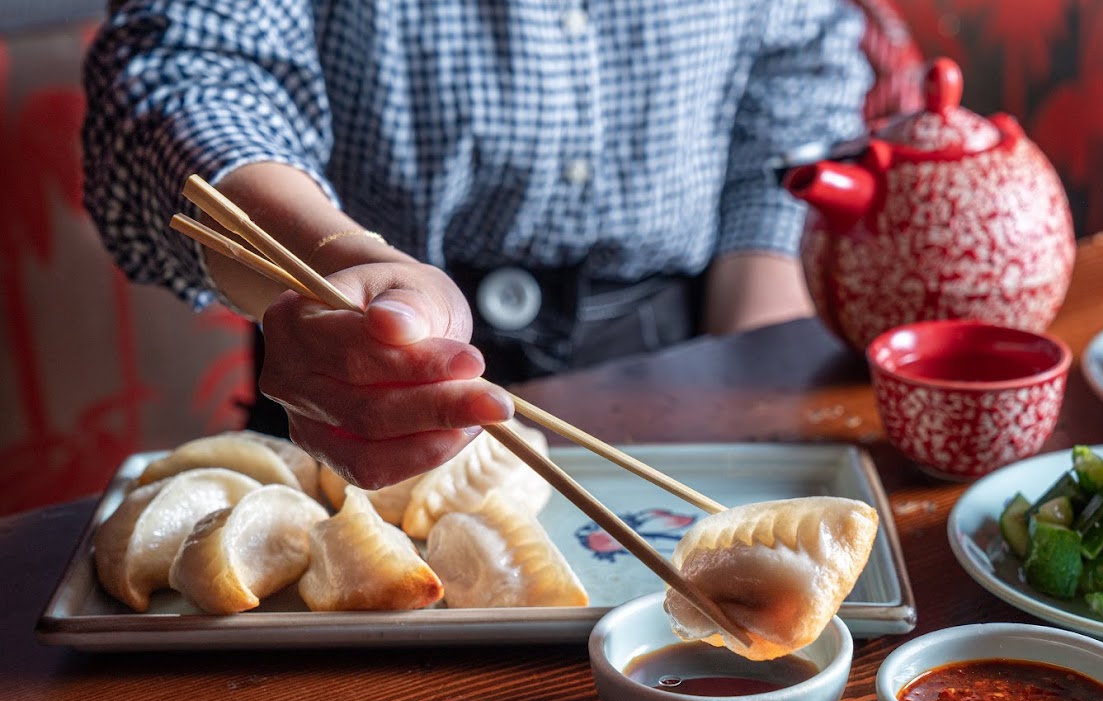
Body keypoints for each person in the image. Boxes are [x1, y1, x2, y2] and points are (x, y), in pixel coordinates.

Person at [82, 0, 872, 490]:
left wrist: (749, 381)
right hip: (358, 363)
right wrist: (340, 264)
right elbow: (190, 66)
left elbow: (799, 71)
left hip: (687, 359)